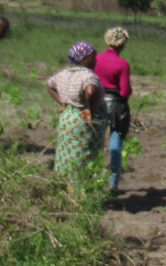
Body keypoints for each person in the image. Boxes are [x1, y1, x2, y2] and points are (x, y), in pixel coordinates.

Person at [46, 41, 104, 188]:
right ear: (84, 59)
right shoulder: (89, 76)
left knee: (66, 154)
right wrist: (92, 110)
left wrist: (63, 103)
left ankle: (65, 186)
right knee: (84, 155)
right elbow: (91, 92)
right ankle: (81, 190)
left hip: (67, 118)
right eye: (93, 57)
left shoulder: (65, 73)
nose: (96, 60)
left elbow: (49, 85)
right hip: (82, 119)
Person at [94, 27, 132, 191]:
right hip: (116, 105)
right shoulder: (123, 64)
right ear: (123, 45)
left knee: (95, 143)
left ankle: (91, 179)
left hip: (96, 102)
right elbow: (124, 91)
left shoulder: (96, 59)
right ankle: (113, 184)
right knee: (115, 145)